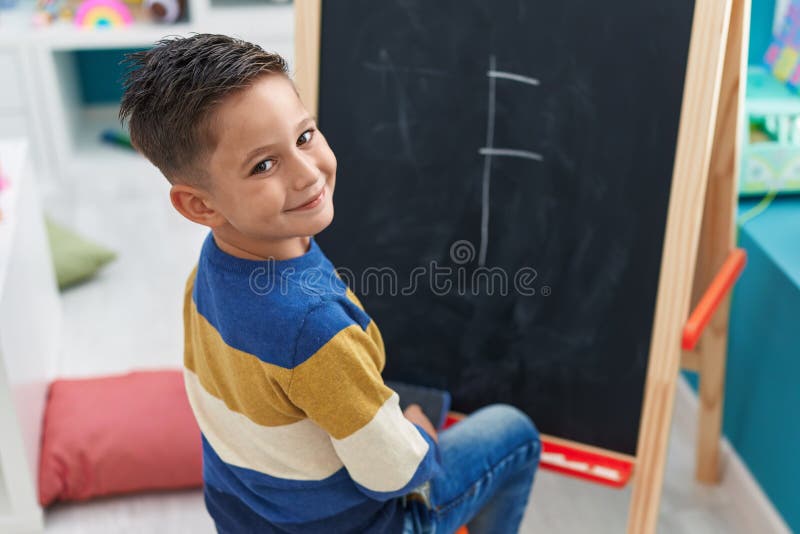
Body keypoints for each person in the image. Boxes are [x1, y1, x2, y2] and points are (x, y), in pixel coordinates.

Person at [119, 33, 540, 533]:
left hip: (250, 518)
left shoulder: (207, 271)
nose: (307, 174)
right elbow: (394, 474)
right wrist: (418, 436)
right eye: (264, 165)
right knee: (513, 433)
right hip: (358, 525)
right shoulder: (315, 329)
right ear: (200, 205)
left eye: (304, 137)